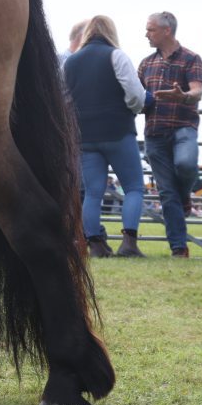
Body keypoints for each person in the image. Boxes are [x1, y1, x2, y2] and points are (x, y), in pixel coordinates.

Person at [63, 15, 148, 258]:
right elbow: (136, 94)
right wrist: (132, 108)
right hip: (118, 131)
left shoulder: (71, 62)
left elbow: (64, 99)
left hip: (84, 135)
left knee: (93, 192)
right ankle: (129, 243)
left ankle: (96, 244)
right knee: (133, 188)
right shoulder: (116, 55)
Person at [139, 11, 202, 258]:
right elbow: (135, 95)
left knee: (186, 164)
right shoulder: (146, 63)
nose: (146, 34)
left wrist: (183, 95)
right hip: (154, 132)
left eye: (150, 29)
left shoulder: (191, 59)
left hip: (183, 127)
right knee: (167, 192)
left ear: (167, 31)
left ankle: (185, 195)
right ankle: (179, 247)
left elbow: (197, 91)